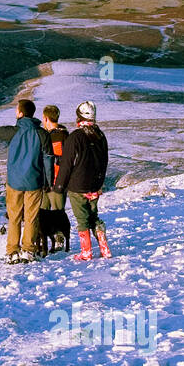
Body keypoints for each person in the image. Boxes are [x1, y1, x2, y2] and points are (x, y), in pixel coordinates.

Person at [0, 98, 53, 264]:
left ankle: (13, 251)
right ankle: (28, 250)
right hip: (34, 182)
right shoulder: (43, 134)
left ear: (20, 113)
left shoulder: (12, 132)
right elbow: (48, 160)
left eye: (16, 110)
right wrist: (48, 182)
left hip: (14, 182)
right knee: (31, 218)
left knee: (14, 217)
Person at [54, 100, 112, 261]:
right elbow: (105, 160)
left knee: (82, 219)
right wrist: (100, 183)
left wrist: (59, 186)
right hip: (95, 186)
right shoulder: (100, 135)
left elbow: (66, 165)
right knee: (94, 217)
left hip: (78, 186)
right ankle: (104, 248)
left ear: (78, 117)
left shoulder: (75, 137)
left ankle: (86, 252)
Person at [40, 105, 68, 210]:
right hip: (55, 183)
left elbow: (57, 160)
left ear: (46, 118)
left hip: (53, 183)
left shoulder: (55, 138)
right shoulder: (64, 135)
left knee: (56, 215)